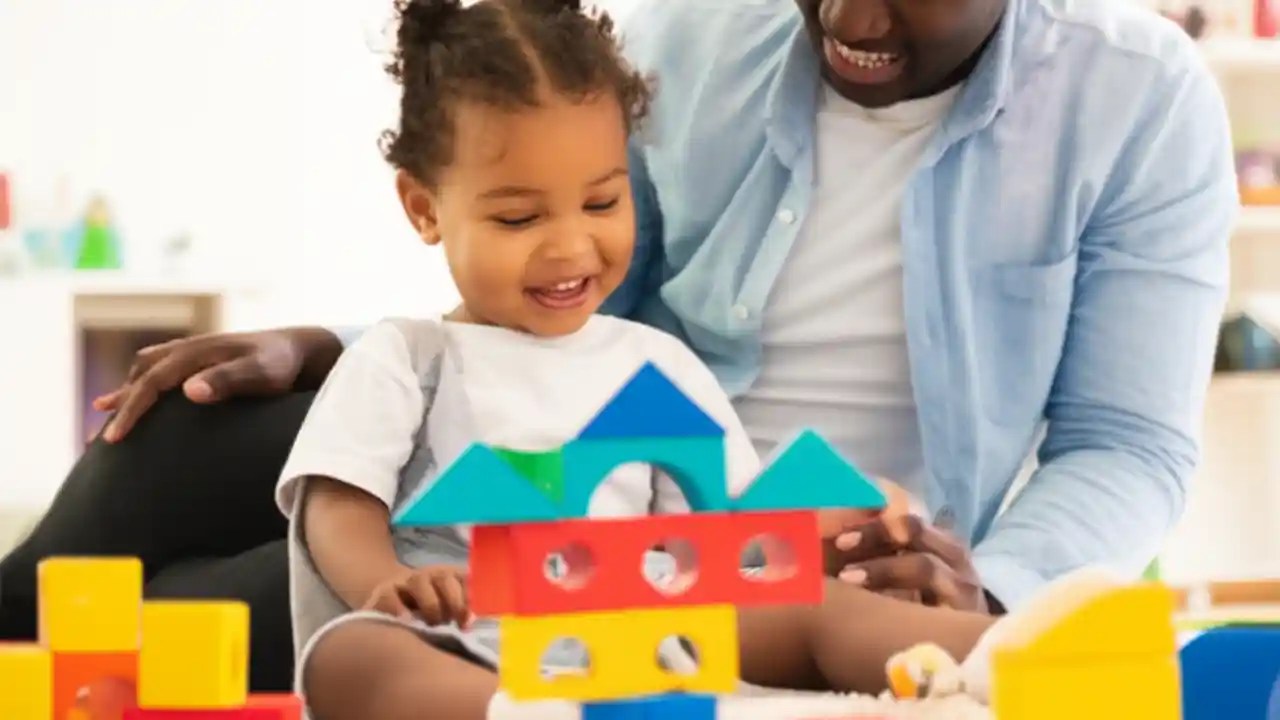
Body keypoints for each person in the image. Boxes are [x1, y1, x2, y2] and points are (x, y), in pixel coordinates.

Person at [0, 0, 1236, 694]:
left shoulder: (1135, 98)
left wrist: (998, 585)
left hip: (782, 539)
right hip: (557, 470)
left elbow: (1125, 446)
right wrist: (332, 341)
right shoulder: (697, 38)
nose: (852, 15)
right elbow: (559, 302)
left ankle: (1032, 663)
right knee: (208, 411)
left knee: (192, 630)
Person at [276, 2, 1002, 717]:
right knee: (356, 659)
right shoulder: (407, 357)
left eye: (601, 203)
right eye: (519, 218)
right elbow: (338, 505)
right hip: (470, 636)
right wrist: (390, 585)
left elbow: (731, 534)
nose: (569, 248)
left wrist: (835, 524)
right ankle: (534, 714)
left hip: (643, 628)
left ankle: (1013, 655)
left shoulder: (659, 364)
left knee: (815, 607)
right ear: (424, 209)